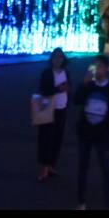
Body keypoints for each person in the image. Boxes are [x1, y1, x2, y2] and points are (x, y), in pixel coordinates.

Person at [74, 55, 109, 209]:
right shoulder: (89, 85)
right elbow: (76, 100)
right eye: (95, 66)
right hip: (86, 133)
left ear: (106, 70)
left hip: (102, 136)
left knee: (106, 170)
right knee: (82, 167)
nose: (96, 70)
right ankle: (81, 202)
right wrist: (83, 84)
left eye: (100, 67)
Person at [36, 48, 70, 180]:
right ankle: (43, 167)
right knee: (46, 138)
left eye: (61, 57)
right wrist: (57, 89)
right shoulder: (47, 73)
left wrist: (67, 90)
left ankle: (51, 165)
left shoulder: (66, 72)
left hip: (62, 108)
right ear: (52, 59)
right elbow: (43, 90)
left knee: (57, 138)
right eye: (56, 57)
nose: (58, 60)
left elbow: (68, 87)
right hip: (49, 108)